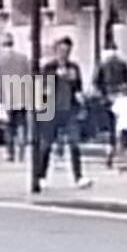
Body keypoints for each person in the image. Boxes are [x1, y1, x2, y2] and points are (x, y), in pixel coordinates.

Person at [36, 37, 91, 188]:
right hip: (51, 109)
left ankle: (78, 177)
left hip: (70, 109)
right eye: (61, 51)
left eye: (67, 51)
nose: (64, 54)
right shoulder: (49, 68)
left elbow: (78, 88)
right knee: (46, 144)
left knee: (74, 143)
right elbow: (42, 87)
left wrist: (80, 98)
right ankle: (41, 175)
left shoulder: (74, 68)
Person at [0, 32, 31, 162]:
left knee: (9, 126)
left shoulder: (0, 61)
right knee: (22, 124)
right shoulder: (23, 58)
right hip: (21, 94)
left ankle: (9, 152)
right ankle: (21, 151)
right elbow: (29, 77)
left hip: (8, 95)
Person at [94, 46, 127, 167]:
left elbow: (96, 82)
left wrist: (102, 95)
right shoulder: (122, 64)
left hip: (107, 98)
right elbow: (126, 81)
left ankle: (111, 148)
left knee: (109, 126)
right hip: (120, 96)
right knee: (121, 123)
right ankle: (120, 145)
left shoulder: (102, 64)